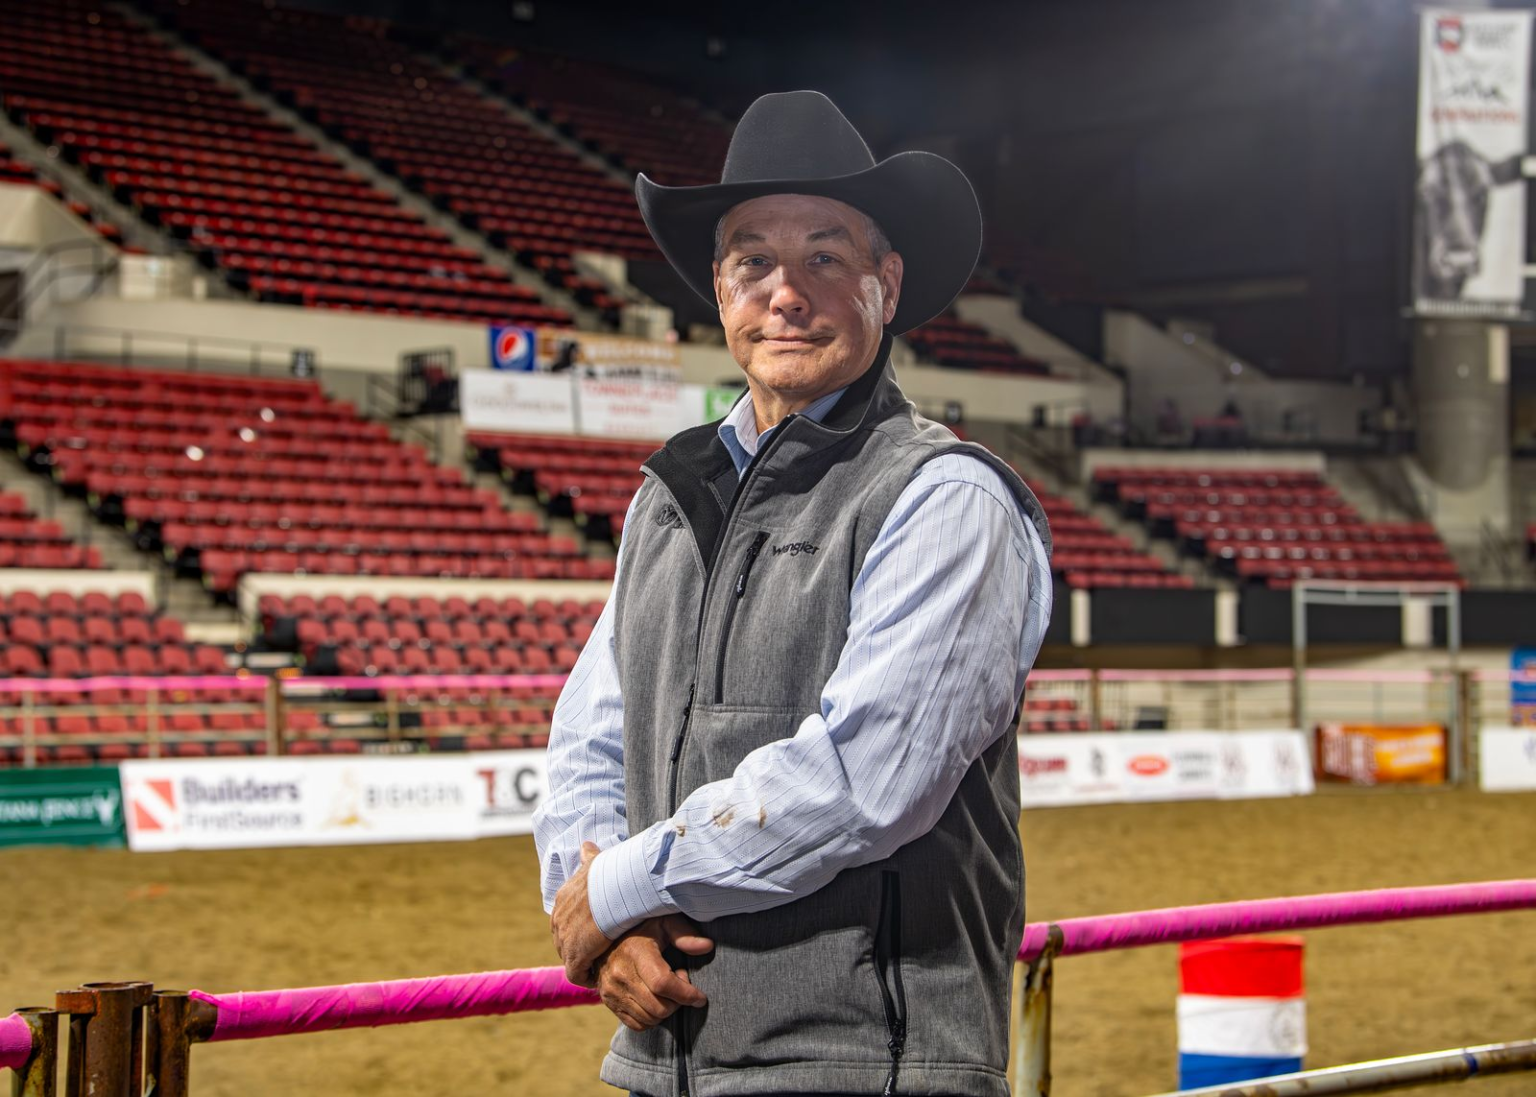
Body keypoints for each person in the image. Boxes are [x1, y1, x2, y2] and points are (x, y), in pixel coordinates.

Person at [534, 90, 1054, 1097]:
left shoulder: (945, 495)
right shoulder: (668, 501)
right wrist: (594, 902)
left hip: (870, 1065)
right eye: (753, 260)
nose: (786, 290)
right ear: (720, 291)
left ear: (886, 282)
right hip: (671, 1055)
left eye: (826, 255)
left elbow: (868, 778)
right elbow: (592, 734)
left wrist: (622, 885)